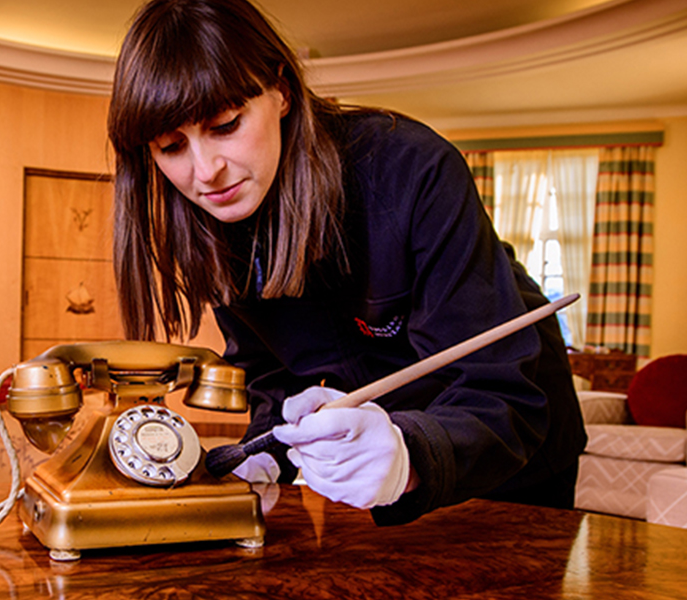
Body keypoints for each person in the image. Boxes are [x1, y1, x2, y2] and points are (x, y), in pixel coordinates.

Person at [107, 0, 587, 525]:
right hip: (372, 479)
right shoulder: (208, 221)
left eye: (225, 125)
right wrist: (267, 452)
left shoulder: (412, 170)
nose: (206, 173)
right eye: (171, 146)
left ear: (282, 91)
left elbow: (504, 393)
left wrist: (408, 459)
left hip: (512, 462)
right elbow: (270, 371)